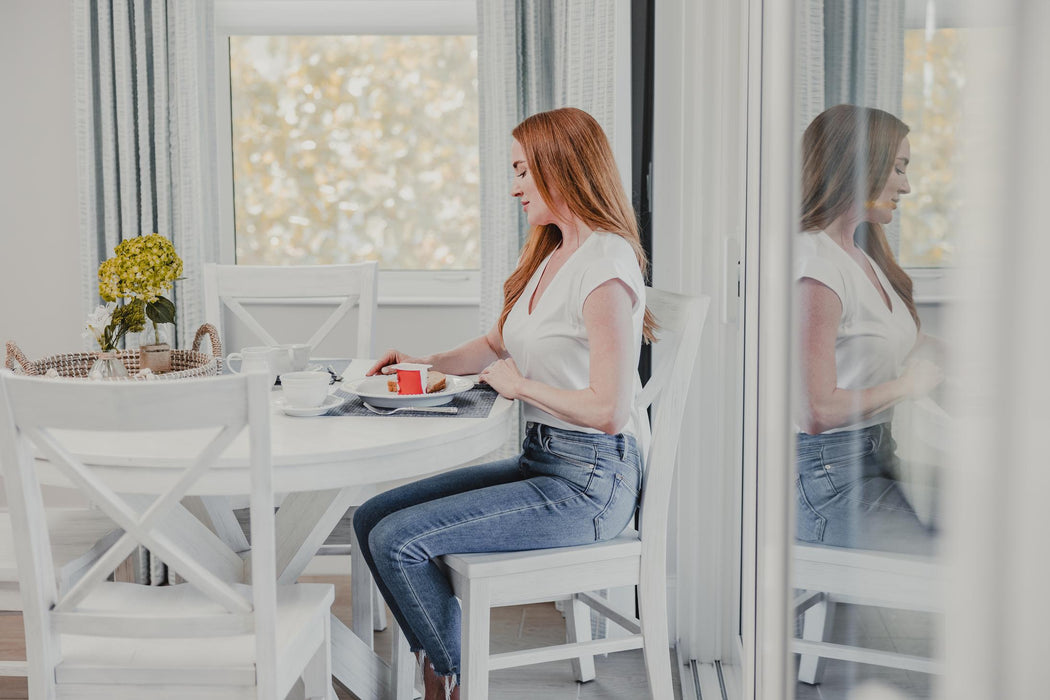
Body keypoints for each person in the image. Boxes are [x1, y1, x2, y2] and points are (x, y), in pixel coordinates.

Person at [352, 107, 657, 700]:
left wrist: (521, 388)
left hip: (592, 484)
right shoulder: (554, 254)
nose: (514, 184)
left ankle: (450, 679)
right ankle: (445, 667)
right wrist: (424, 364)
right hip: (545, 461)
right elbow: (497, 343)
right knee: (370, 520)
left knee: (398, 540)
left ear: (560, 166)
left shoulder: (606, 267)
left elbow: (609, 410)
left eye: (522, 169)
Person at [794, 104, 945, 556]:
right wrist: (907, 385)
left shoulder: (860, 255)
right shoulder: (814, 265)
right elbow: (816, 410)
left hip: (877, 460)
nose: (907, 185)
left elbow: (908, 342)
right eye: (898, 168)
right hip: (825, 485)